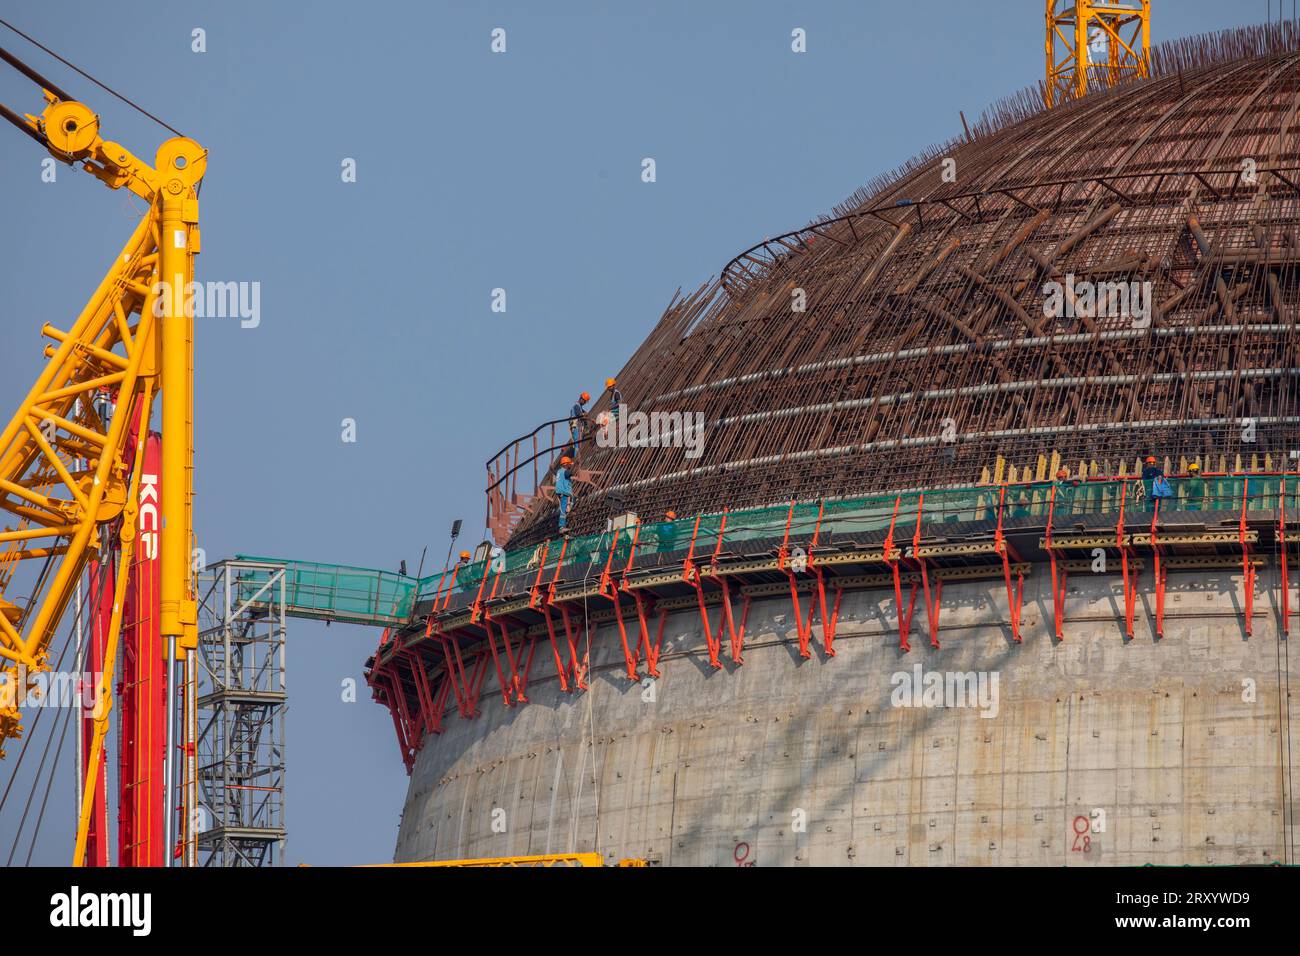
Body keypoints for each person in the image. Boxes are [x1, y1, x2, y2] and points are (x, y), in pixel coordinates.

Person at [555, 455, 574, 535]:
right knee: (563, 509)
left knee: (567, 504)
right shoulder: (566, 472)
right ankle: (562, 527)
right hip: (565, 492)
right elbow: (570, 474)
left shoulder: (559, 472)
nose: (570, 466)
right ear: (566, 464)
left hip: (560, 492)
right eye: (569, 464)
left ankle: (569, 508)